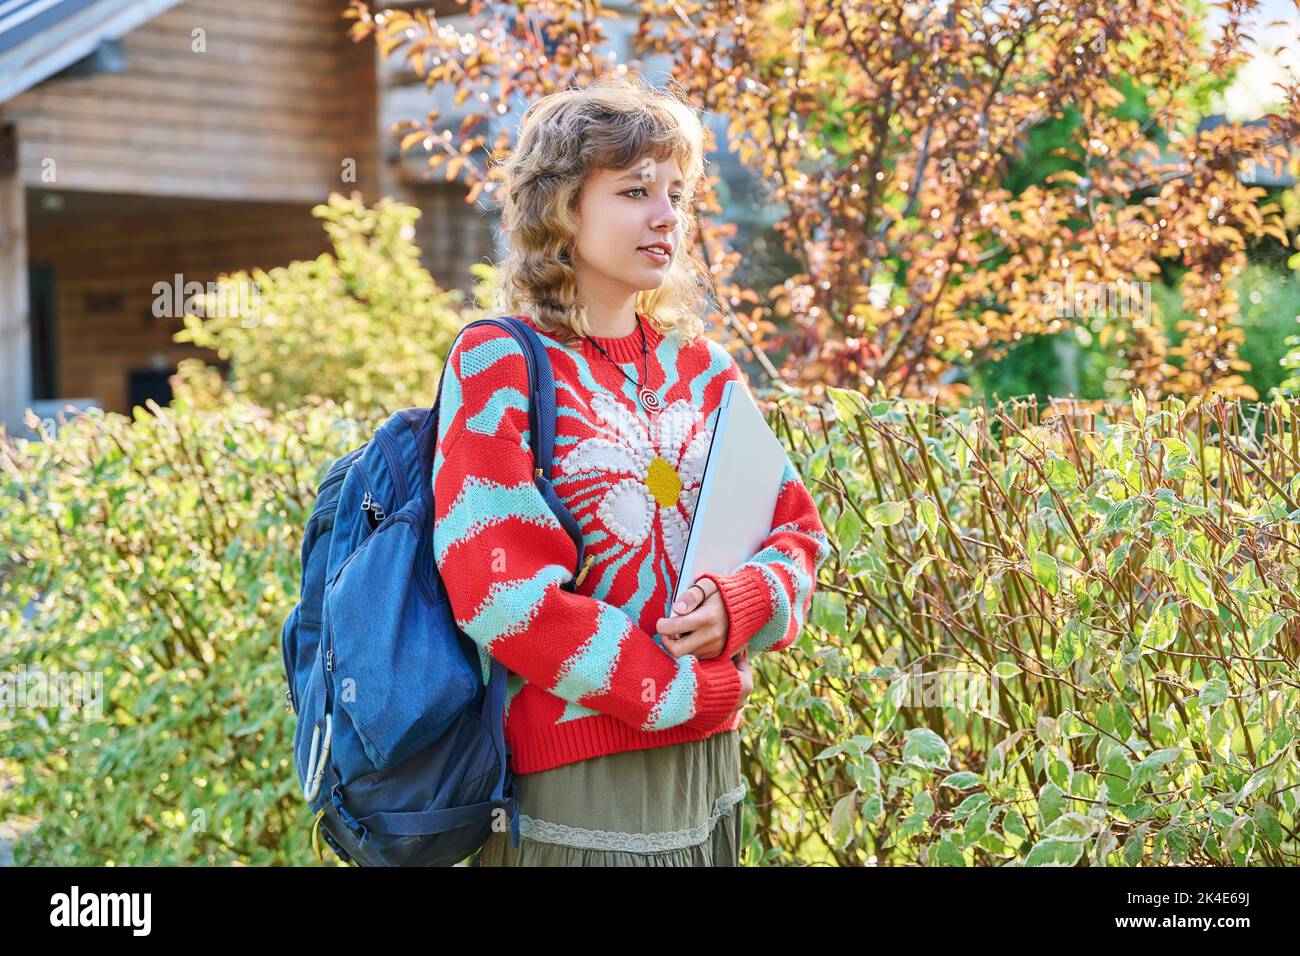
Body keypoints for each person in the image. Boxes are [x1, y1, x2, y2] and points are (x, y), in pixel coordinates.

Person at [431, 71, 831, 866]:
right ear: (563, 204)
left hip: (708, 765)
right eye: (635, 190)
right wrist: (681, 692)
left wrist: (741, 602)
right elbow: (499, 592)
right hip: (578, 777)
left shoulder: (705, 368)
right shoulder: (500, 360)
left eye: (678, 194)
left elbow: (797, 531)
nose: (666, 217)